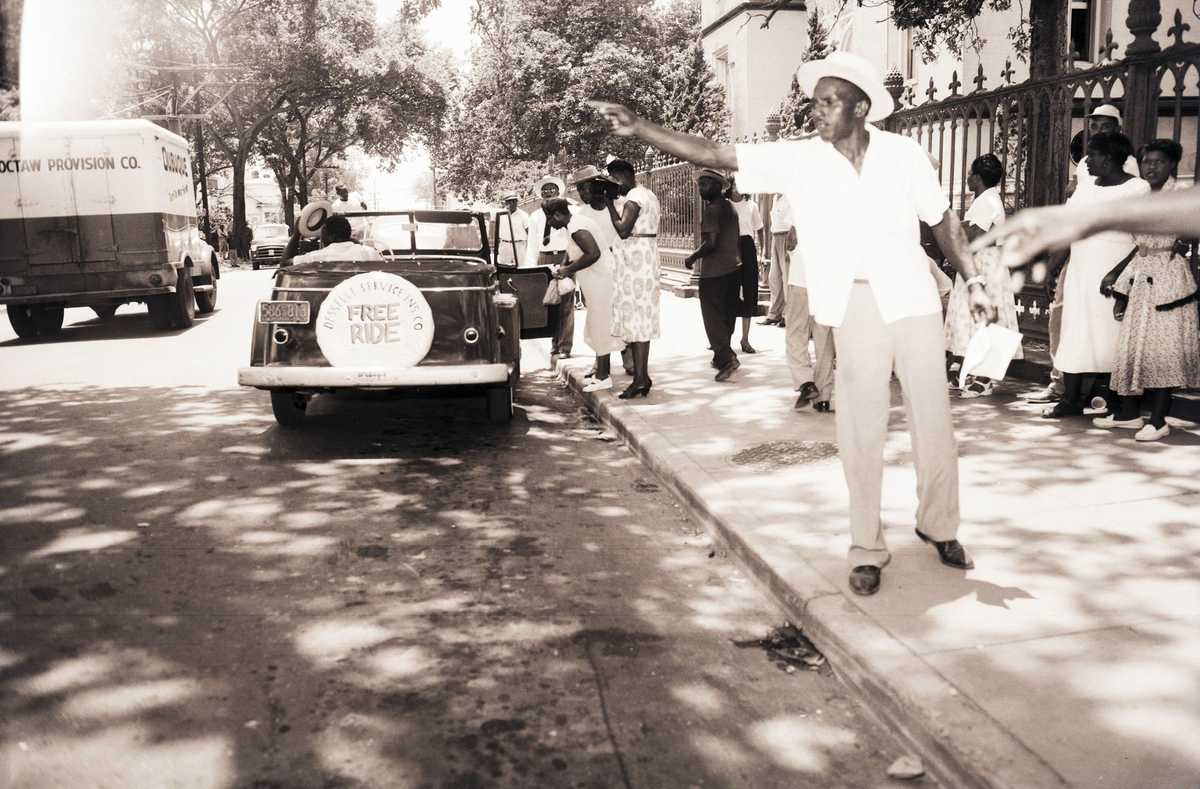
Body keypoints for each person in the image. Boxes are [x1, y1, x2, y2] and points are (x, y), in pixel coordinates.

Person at [590, 50, 995, 597]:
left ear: (860, 107)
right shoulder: (801, 159)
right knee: (861, 427)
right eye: (814, 102)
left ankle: (939, 525)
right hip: (854, 304)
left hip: (914, 298)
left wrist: (974, 280)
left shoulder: (904, 155)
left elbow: (942, 220)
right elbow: (714, 152)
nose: (815, 111)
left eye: (828, 102)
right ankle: (867, 547)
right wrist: (640, 127)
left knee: (934, 420)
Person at [1032, 104, 1142, 404]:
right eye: (1094, 125)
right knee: (1067, 319)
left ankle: (1099, 391)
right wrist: (1055, 262)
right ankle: (1063, 386)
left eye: (1105, 125)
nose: (1097, 131)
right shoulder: (1085, 166)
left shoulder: (1129, 166)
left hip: (1109, 262)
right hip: (1079, 257)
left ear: (1117, 129)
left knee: (1104, 327)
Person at [1094, 139, 1200, 441]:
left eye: (1158, 162)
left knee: (1163, 348)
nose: (1151, 167)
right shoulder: (1142, 195)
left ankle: (1158, 419)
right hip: (1141, 275)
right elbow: (1139, 246)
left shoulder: (1180, 195)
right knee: (1133, 345)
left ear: (1172, 165)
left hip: (1169, 279)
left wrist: (1183, 239)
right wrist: (1120, 280)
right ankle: (1128, 414)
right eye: (1146, 161)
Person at [943, 153, 1023, 398]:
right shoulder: (985, 200)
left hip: (985, 265)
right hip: (981, 262)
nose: (967, 178)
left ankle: (984, 379)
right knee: (973, 320)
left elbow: (974, 235)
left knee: (986, 321)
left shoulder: (987, 201)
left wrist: (952, 233)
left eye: (969, 174)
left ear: (977, 178)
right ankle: (971, 372)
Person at [545, 198, 625, 391]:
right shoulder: (573, 224)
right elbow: (573, 251)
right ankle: (600, 373)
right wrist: (564, 265)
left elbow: (593, 253)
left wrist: (567, 270)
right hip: (596, 281)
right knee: (598, 325)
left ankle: (604, 377)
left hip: (601, 280)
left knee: (600, 326)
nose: (549, 224)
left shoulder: (576, 227)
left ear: (558, 215)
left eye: (549, 219)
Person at [605, 157, 661, 399]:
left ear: (622, 176)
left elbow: (623, 229)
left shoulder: (634, 197)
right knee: (641, 321)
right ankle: (642, 377)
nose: (614, 187)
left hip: (636, 263)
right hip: (644, 258)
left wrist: (608, 203)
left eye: (614, 180)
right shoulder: (648, 194)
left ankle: (640, 379)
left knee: (638, 321)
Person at [685, 169, 743, 382]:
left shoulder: (712, 210)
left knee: (713, 318)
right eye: (700, 184)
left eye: (705, 184)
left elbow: (710, 244)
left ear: (718, 186)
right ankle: (721, 357)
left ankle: (727, 358)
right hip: (732, 269)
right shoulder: (730, 207)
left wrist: (692, 257)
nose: (701, 189)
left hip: (714, 273)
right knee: (727, 315)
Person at [525, 175, 575, 360]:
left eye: (552, 188)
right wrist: (531, 266)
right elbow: (532, 243)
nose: (548, 192)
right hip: (544, 258)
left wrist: (570, 262)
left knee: (566, 303)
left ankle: (565, 346)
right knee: (551, 303)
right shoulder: (535, 216)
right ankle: (554, 345)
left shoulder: (568, 212)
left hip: (564, 256)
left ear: (558, 191)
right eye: (545, 189)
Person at [727, 182, 764, 354]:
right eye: (735, 184)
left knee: (749, 291)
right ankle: (724, 339)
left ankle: (745, 339)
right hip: (729, 247)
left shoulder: (751, 205)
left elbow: (760, 229)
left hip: (747, 248)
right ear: (730, 186)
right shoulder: (725, 205)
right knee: (729, 292)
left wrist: (762, 252)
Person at [282, 214, 383, 265]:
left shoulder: (315, 257)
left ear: (331, 236)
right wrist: (353, 241)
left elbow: (285, 263)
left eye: (323, 232)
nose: (321, 237)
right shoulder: (370, 253)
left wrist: (296, 234)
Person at [761, 193, 794, 327]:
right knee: (774, 278)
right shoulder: (775, 197)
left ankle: (787, 315)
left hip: (787, 236)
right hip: (775, 236)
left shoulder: (789, 195)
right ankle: (774, 314)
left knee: (787, 278)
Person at [494, 192, 529, 266]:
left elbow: (529, 233)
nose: (511, 203)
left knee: (520, 267)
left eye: (513, 201)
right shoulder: (500, 214)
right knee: (504, 267)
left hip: (519, 245)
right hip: (504, 245)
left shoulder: (524, 215)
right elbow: (496, 232)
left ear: (516, 202)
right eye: (508, 201)